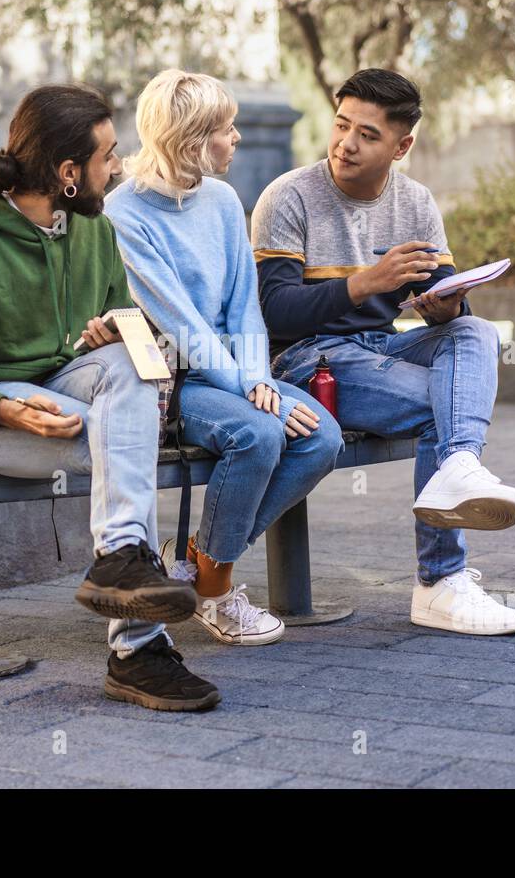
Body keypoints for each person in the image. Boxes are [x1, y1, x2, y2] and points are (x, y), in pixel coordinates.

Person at [0, 83, 220, 711]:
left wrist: (116, 330)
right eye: (107, 156)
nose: (119, 167)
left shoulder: (90, 230)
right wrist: (3, 407)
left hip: (61, 392)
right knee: (121, 441)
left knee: (126, 370)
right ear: (68, 172)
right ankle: (137, 649)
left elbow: (126, 323)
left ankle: (121, 558)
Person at [252, 68, 515, 636]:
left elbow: (451, 297)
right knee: (438, 406)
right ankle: (440, 581)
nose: (346, 144)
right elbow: (274, 312)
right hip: (307, 360)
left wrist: (446, 307)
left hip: (382, 345)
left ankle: (457, 468)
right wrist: (367, 282)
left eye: (368, 135)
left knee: (476, 336)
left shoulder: (416, 203)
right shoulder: (288, 197)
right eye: (341, 125)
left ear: (401, 146)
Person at [104, 70, 344, 645]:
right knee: (258, 435)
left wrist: (258, 378)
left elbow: (244, 306)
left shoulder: (222, 200)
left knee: (322, 438)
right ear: (191, 139)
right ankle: (216, 594)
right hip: (171, 377)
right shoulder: (124, 213)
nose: (236, 138)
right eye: (225, 129)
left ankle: (199, 561)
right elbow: (179, 324)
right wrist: (246, 390)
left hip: (236, 372)